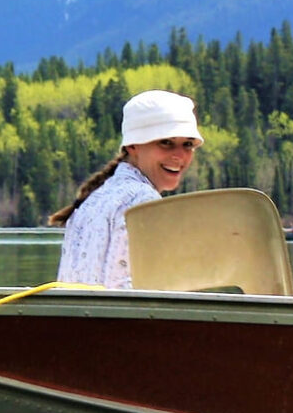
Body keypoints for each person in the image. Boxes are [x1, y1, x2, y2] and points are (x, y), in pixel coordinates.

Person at [52, 90, 201, 287]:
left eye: (188, 144)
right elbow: (130, 291)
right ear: (133, 146)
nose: (179, 156)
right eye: (166, 143)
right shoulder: (143, 201)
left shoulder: (93, 199)